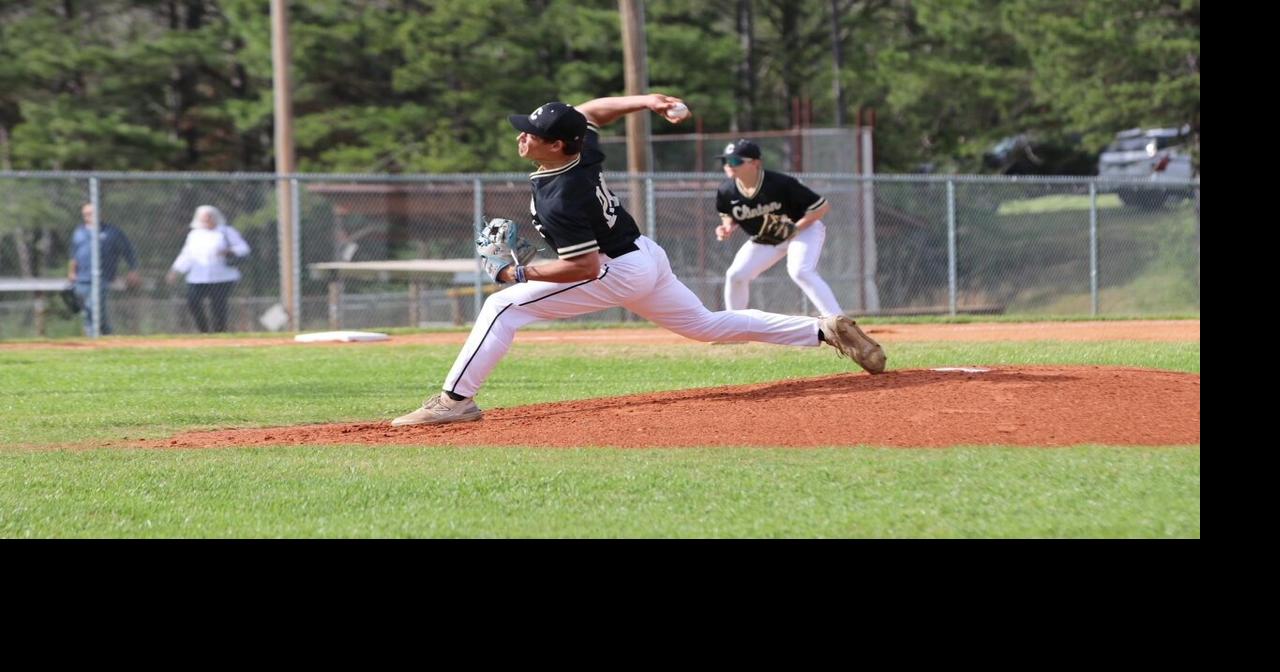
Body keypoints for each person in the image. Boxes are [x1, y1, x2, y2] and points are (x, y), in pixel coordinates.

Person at [391, 94, 885, 427]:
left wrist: (513, 273)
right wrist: (647, 100)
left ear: (557, 144)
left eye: (531, 134)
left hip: (615, 270)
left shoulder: (559, 196)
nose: (522, 137)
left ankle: (455, 401)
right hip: (643, 256)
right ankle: (822, 329)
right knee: (707, 325)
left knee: (504, 306)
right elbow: (590, 110)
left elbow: (583, 269)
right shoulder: (581, 151)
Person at [714, 139, 844, 317]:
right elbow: (728, 214)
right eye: (725, 161)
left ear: (755, 163)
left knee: (800, 271)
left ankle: (838, 321)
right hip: (768, 237)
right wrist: (727, 227)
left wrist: (795, 229)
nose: (729, 165)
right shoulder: (726, 191)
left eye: (735, 161)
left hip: (804, 230)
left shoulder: (780, 183)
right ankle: (735, 326)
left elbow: (821, 207)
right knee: (736, 275)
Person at [166, 205, 250, 333]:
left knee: (218, 306)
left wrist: (229, 251)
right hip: (198, 277)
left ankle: (219, 333)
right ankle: (203, 331)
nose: (207, 221)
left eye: (209, 217)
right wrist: (175, 271)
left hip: (222, 277)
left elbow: (243, 248)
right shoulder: (194, 235)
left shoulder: (226, 231)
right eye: (204, 218)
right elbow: (187, 255)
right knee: (193, 301)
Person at [67, 203, 140, 336]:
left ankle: (92, 337)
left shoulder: (112, 232)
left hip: (102, 277)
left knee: (93, 307)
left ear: (99, 214)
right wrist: (71, 272)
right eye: (85, 214)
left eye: (90, 214)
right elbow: (73, 255)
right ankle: (107, 334)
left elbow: (128, 251)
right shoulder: (79, 232)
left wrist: (133, 270)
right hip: (81, 278)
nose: (87, 217)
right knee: (90, 310)